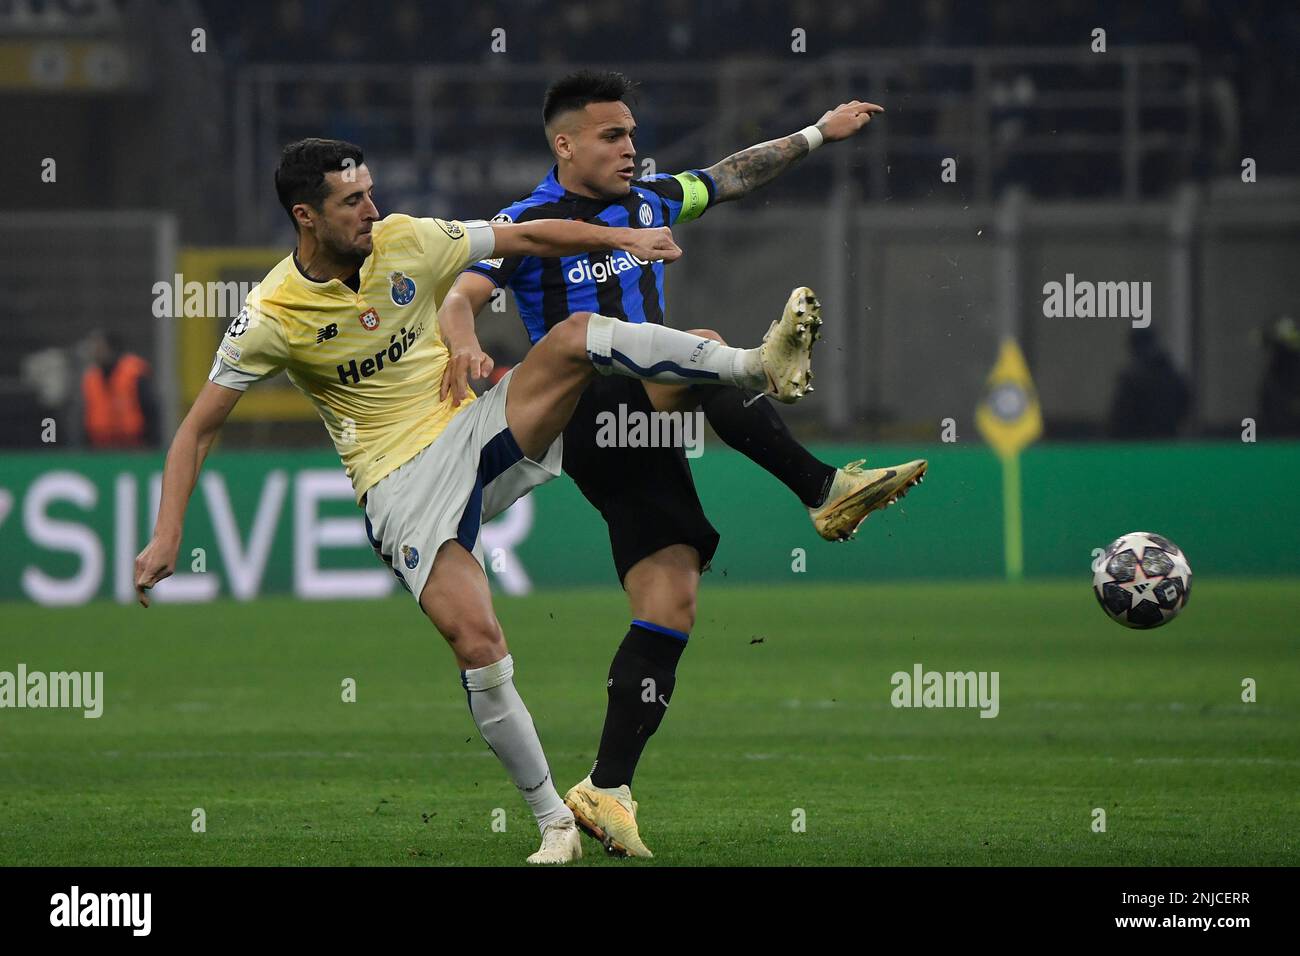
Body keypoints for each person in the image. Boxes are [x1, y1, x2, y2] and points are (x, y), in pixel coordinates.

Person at [131, 137, 820, 864]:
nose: (372, 209)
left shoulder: (407, 239)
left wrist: (618, 235)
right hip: (399, 486)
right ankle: (558, 824)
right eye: (351, 201)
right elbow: (197, 430)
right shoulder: (271, 314)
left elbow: (526, 234)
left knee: (574, 338)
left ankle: (754, 364)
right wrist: (167, 532)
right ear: (306, 216)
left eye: (369, 190)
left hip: (472, 426)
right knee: (479, 643)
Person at [440, 71, 927, 857]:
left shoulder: (652, 200)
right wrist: (463, 333)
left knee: (670, 599)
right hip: (585, 406)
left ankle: (605, 786)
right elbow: (462, 290)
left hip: (646, 430)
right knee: (694, 350)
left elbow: (730, 174)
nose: (631, 148)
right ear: (565, 144)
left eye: (632, 133)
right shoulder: (529, 220)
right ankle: (820, 481)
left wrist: (815, 135)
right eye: (611, 136)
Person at [82, 330, 160, 448]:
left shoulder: (133, 373)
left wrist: (152, 444)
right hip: (100, 446)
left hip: (134, 445)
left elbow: (150, 409)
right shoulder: (91, 377)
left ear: (111, 349)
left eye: (99, 348)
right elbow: (87, 413)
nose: (95, 352)